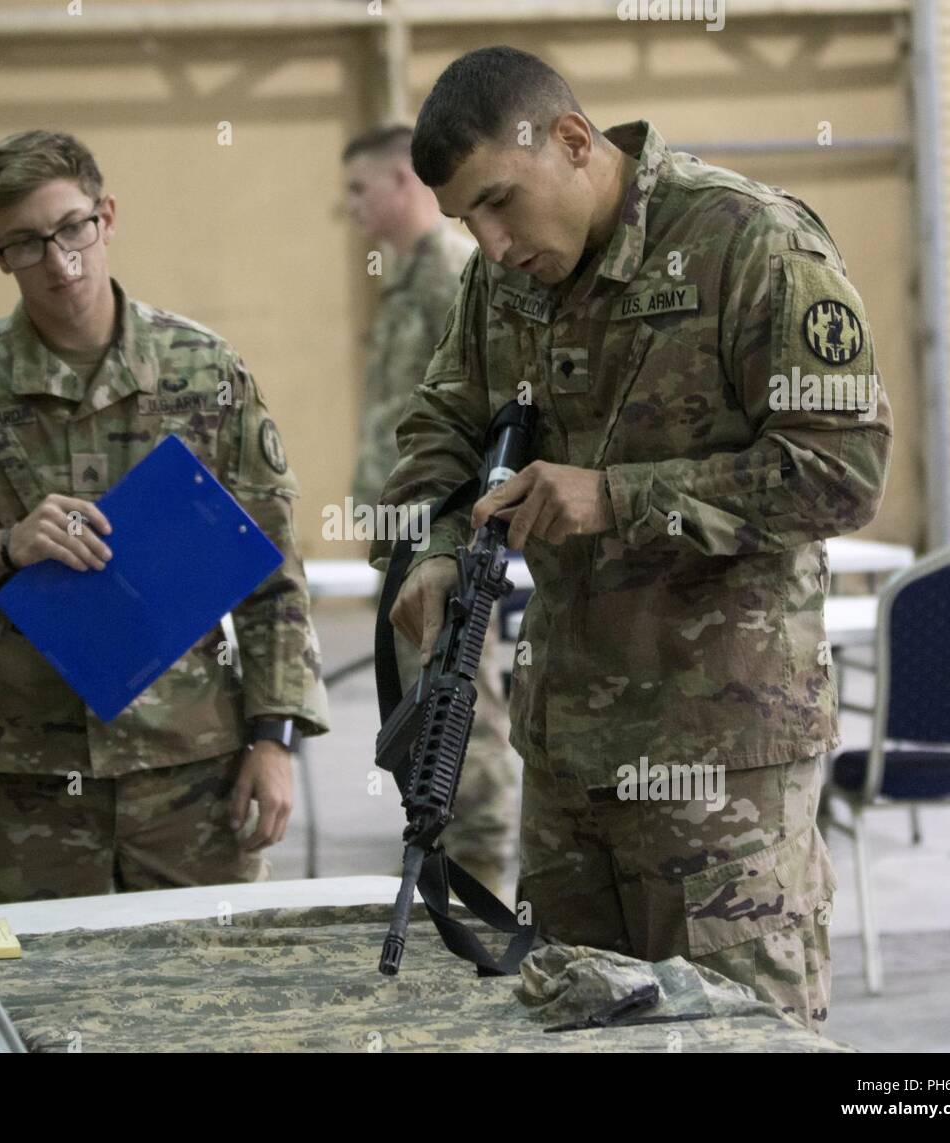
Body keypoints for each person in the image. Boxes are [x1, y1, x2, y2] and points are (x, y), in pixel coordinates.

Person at [374, 46, 892, 1031]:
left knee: (734, 1038)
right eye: (463, 221)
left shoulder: (748, 243)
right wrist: (437, 543)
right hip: (566, 759)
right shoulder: (508, 279)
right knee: (573, 1034)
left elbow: (844, 469)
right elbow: (440, 422)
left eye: (499, 203)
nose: (487, 244)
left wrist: (617, 498)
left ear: (572, 141)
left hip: (719, 771)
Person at [0, 130, 328, 907]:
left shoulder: (206, 373)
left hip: (191, 771)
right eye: (27, 243)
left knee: (205, 1005)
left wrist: (273, 739)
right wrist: (2, 550)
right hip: (25, 784)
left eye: (73, 227)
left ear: (106, 216)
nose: (60, 261)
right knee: (21, 1007)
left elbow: (274, 575)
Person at [343, 124, 517, 896]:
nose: (349, 208)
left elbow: (484, 408)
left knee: (459, 703)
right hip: (404, 540)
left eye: (359, 189)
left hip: (441, 540)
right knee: (425, 705)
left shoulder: (454, 271)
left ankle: (477, 863)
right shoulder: (406, 278)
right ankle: (442, 854)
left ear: (403, 184)